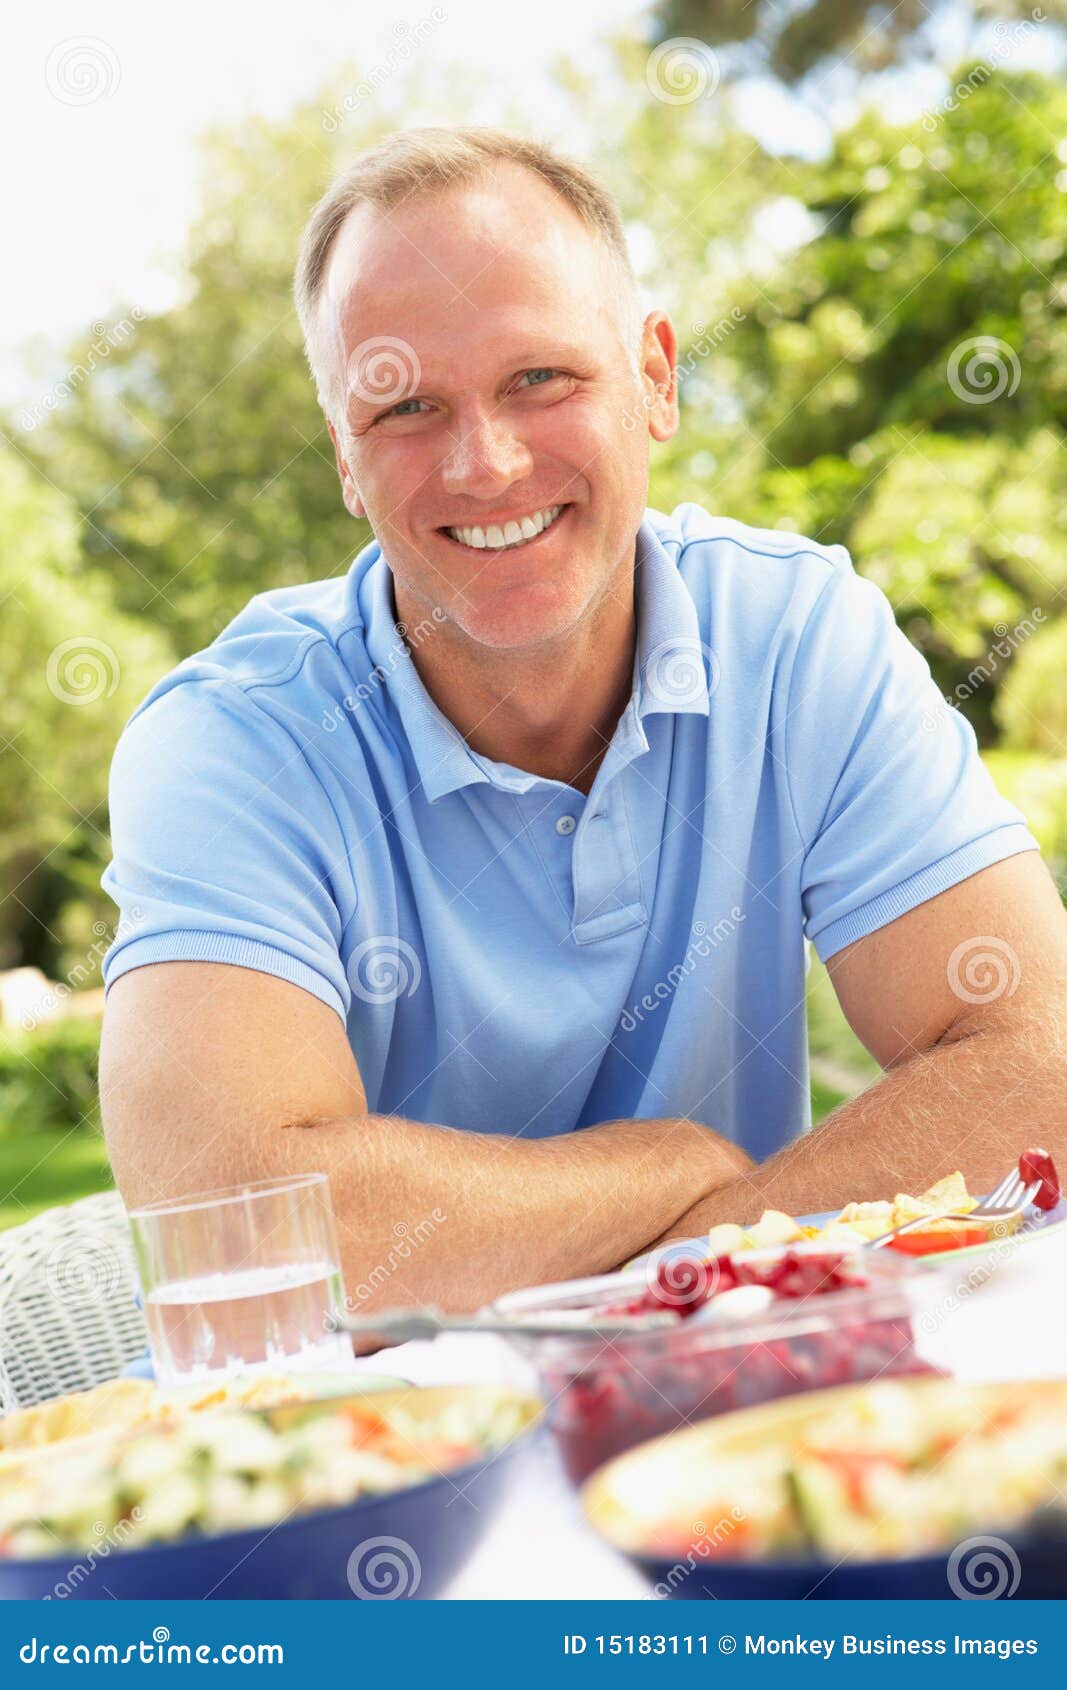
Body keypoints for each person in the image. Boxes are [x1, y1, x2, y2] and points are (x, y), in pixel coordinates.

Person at [99, 127, 1067, 1312]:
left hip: (749, 1405)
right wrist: (668, 1165)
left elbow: (1037, 1059)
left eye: (538, 379)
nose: (486, 461)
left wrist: (698, 1255)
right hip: (396, 1457)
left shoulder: (794, 635)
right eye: (404, 406)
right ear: (345, 460)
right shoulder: (234, 742)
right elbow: (228, 1226)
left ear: (656, 377)